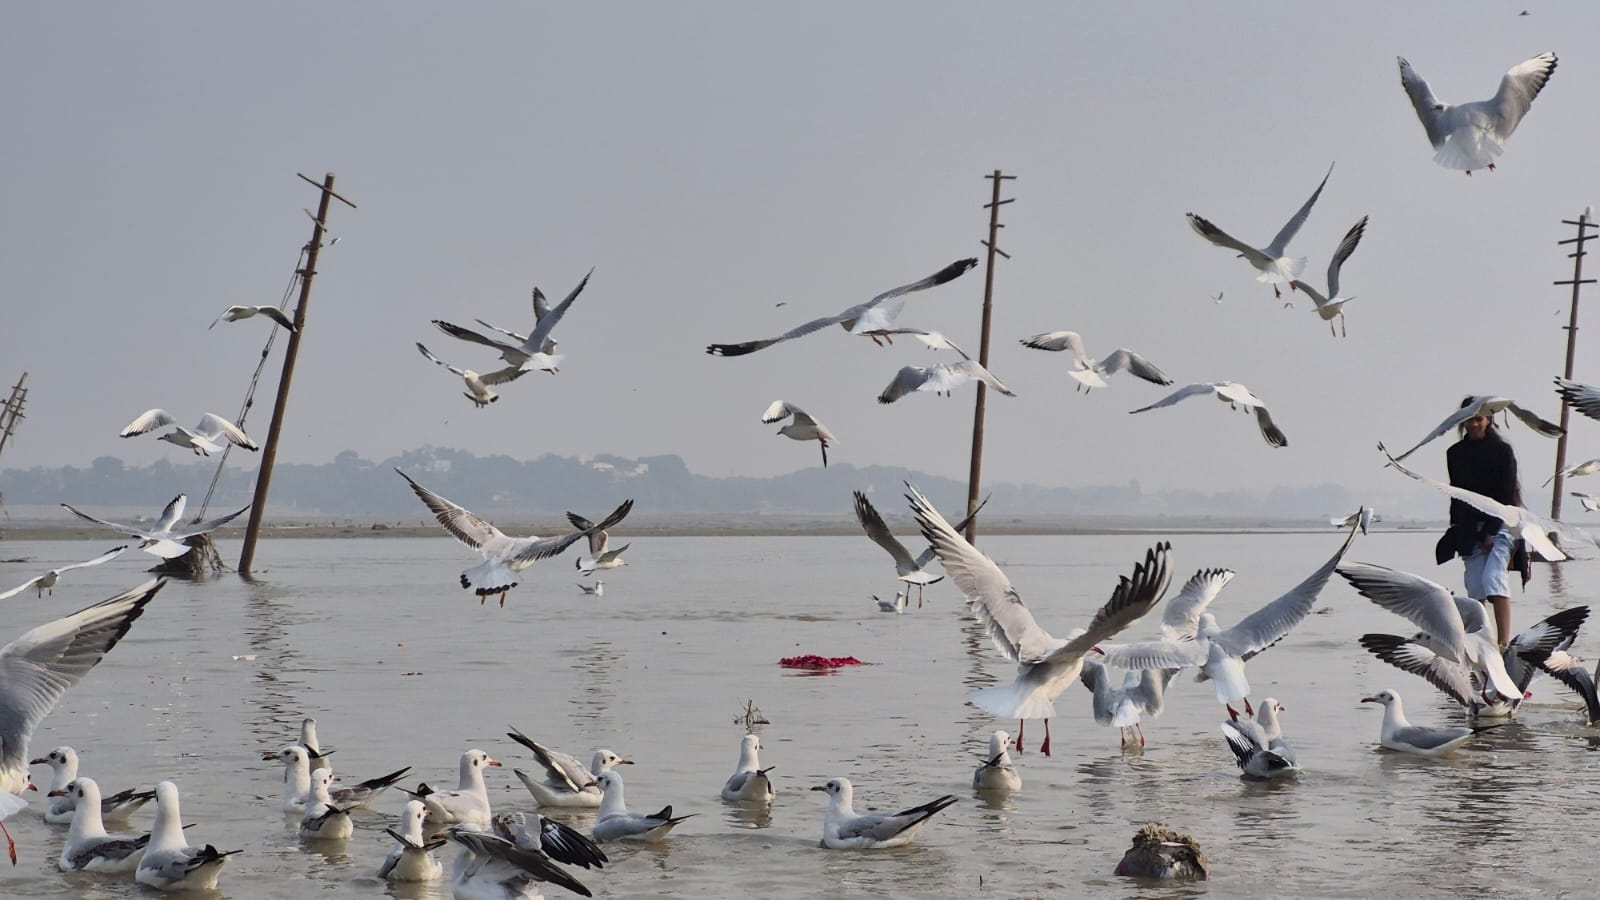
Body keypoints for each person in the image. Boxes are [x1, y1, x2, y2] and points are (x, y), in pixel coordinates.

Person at [1437, 400, 1527, 648]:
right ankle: (1480, 644)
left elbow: (1506, 495)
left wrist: (1490, 532)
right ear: (1462, 422)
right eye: (1469, 419)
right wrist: (1457, 531)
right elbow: (1457, 494)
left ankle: (1503, 643)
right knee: (1475, 586)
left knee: (1493, 579)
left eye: (1479, 419)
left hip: (1503, 522)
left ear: (1489, 420)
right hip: (1469, 526)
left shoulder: (1502, 451)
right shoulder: (1455, 453)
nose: (1474, 424)